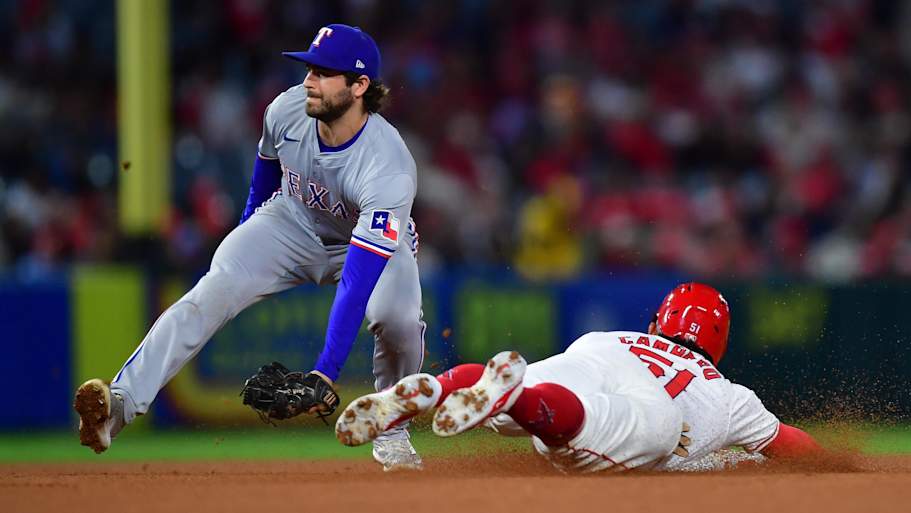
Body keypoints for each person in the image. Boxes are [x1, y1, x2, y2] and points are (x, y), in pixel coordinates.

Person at [74, 24, 427, 471]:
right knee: (212, 290)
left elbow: (357, 279)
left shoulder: (388, 166)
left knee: (395, 319)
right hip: (292, 222)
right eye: (309, 68)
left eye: (324, 72)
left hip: (368, 242)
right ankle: (120, 405)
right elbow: (264, 176)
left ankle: (393, 428)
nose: (308, 81)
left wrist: (326, 371)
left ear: (360, 87)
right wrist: (247, 246)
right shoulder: (286, 110)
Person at [335, 283, 822, 472]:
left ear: (658, 323)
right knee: (595, 428)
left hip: (593, 354)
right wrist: (834, 461)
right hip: (654, 404)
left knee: (522, 395)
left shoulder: (620, 334)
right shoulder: (728, 393)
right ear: (720, 344)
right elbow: (787, 442)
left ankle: (446, 387)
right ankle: (518, 401)